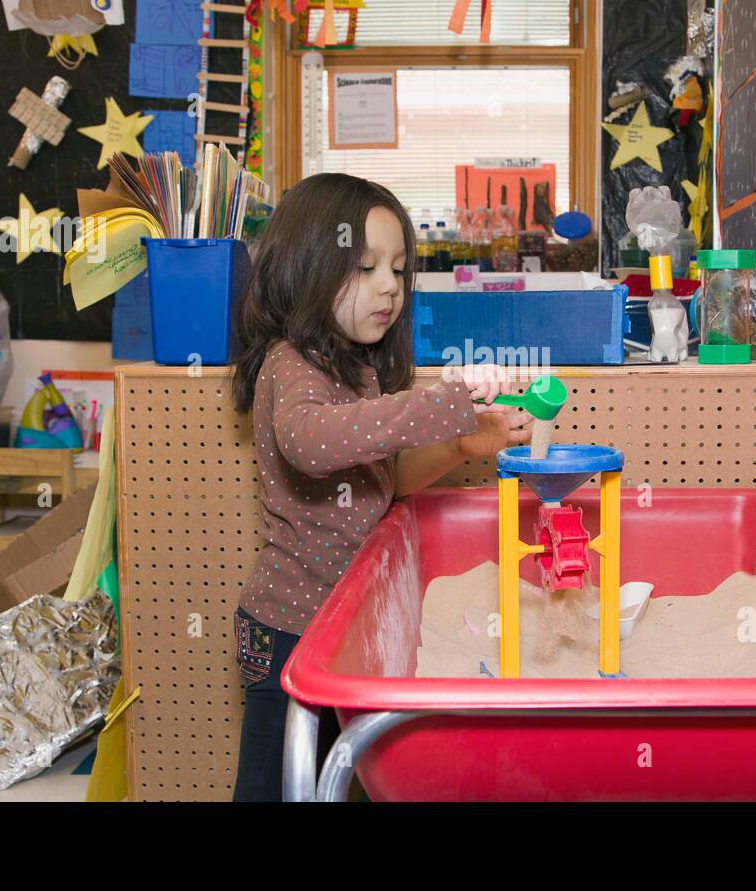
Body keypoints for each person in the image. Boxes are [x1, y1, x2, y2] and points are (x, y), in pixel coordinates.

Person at [228, 173, 532, 800]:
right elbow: (310, 443)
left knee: (344, 781)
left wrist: (461, 444)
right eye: (365, 267)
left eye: (398, 269)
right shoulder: (291, 362)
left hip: (344, 618)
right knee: (275, 784)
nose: (389, 286)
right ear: (304, 269)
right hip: (291, 625)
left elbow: (382, 481)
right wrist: (440, 403)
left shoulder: (356, 369)